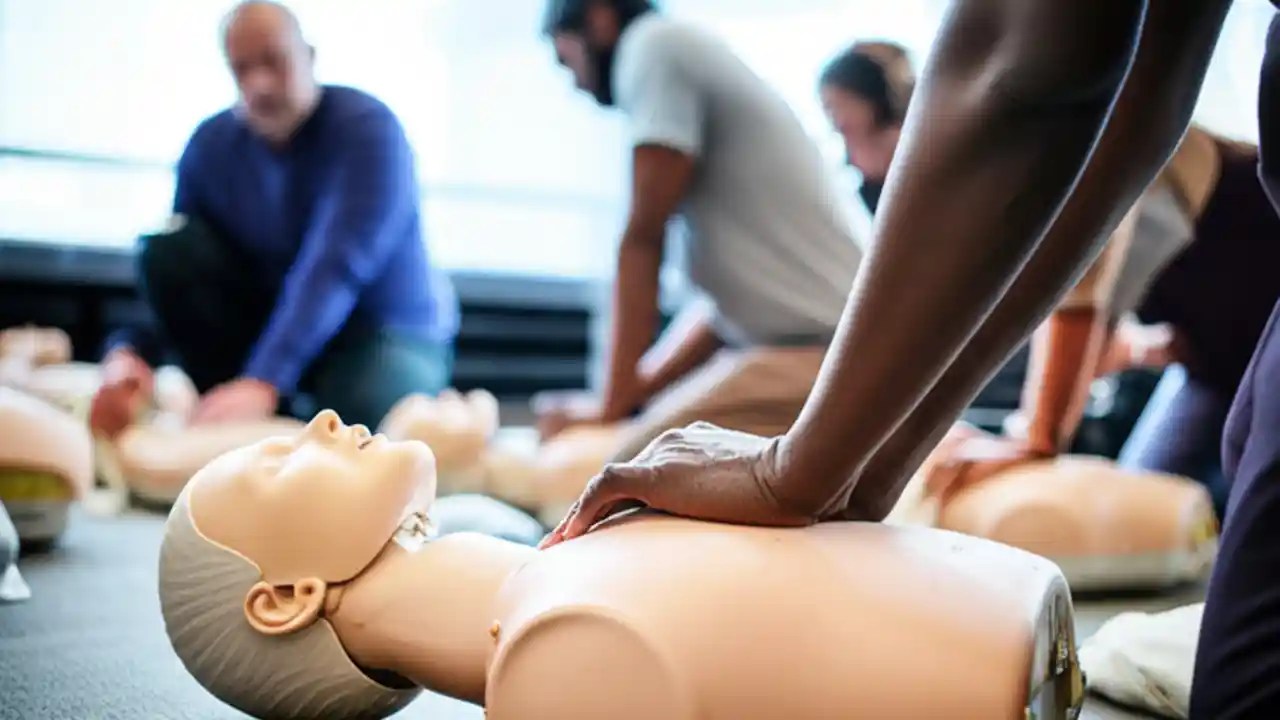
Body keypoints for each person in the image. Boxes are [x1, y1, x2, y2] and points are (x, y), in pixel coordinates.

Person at [541, 3, 1272, 715]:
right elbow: (1128, 100)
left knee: (1240, 674)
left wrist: (795, 470)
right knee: (1232, 467)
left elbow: (1034, 73)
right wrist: (874, 464)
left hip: (1254, 281)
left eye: (846, 128)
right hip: (1220, 349)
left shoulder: (659, 53)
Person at [822, 41, 1280, 521]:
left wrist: (1035, 437)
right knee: (1147, 505)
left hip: (1260, 299)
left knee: (1242, 520)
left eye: (843, 124)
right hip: (1210, 359)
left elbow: (1082, 286)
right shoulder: (947, 195)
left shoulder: (1059, 132)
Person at [89, 0, 458, 437]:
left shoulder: (369, 131)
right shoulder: (210, 147)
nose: (259, 84)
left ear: (309, 57)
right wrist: (129, 354)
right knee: (169, 247)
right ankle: (237, 403)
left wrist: (263, 381)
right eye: (242, 69)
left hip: (385, 331)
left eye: (274, 62)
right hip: (272, 332)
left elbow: (334, 267)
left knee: (352, 426)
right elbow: (170, 276)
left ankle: (272, 400)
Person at [533, 0, 863, 464]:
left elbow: (643, 237)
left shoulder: (653, 46)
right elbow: (721, 315)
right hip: (808, 352)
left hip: (822, 356)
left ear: (598, 19)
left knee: (635, 463)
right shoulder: (684, 53)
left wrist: (609, 408)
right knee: (641, 448)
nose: (575, 83)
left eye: (564, 58)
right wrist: (631, 395)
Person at [818, 41, 915, 214]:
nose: (838, 118)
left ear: (869, 97)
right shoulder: (849, 165)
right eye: (830, 108)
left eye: (845, 104)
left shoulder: (910, 144)